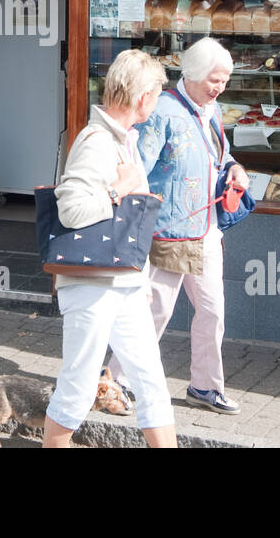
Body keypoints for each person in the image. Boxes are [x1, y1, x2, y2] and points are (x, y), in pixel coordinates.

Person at [109, 37, 251, 414]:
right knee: (154, 313)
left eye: (225, 81)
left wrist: (234, 167)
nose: (220, 88)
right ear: (192, 75)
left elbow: (221, 153)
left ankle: (205, 386)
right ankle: (115, 380)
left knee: (213, 311)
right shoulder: (163, 112)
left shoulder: (213, 109)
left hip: (205, 228)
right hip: (168, 231)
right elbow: (139, 169)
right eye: (214, 80)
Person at [43, 49, 177, 448]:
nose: (156, 102)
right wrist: (119, 189)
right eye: (156, 94)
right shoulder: (96, 141)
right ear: (143, 98)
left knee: (151, 381)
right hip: (92, 285)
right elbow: (70, 208)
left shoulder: (125, 140)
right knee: (78, 386)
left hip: (122, 281)